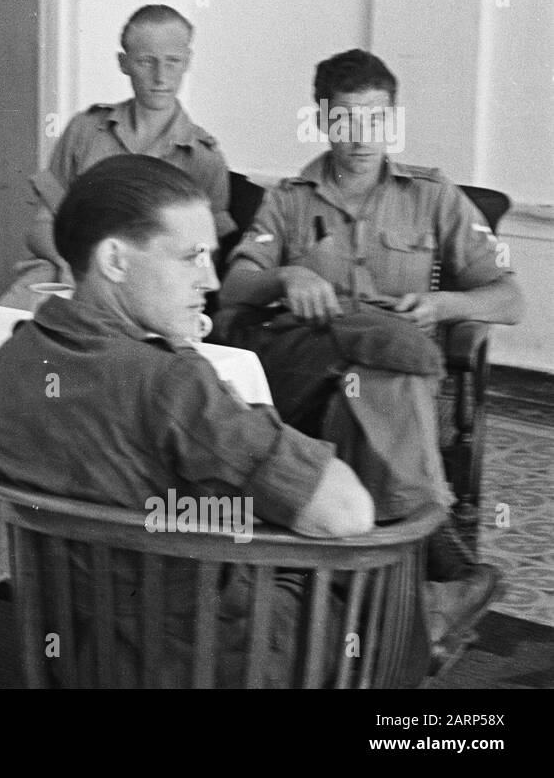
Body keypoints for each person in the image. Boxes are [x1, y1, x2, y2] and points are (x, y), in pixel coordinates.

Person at [0, 155, 491, 685]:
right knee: (382, 559)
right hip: (217, 661)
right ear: (114, 259)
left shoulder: (5, 368)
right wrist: (234, 408)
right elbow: (347, 515)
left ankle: (428, 612)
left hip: (82, 659)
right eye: (190, 257)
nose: (210, 278)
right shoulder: (172, 384)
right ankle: (424, 619)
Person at [218, 49, 523, 651]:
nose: (361, 138)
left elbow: (508, 298)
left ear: (393, 120)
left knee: (387, 374)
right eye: (345, 121)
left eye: (376, 121)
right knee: (382, 371)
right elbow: (231, 288)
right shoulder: (289, 200)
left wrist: (444, 307)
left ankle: (398, 603)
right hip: (311, 373)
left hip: (395, 375)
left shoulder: (432, 197)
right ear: (322, 120)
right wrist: (284, 278)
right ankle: (440, 566)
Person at [0, 5, 232, 309]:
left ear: (187, 62)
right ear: (124, 63)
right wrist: (69, 262)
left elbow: (203, 255)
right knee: (18, 316)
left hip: (151, 285)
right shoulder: (86, 131)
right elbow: (41, 226)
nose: (161, 76)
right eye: (146, 61)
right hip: (68, 266)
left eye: (173, 62)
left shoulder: (203, 157)